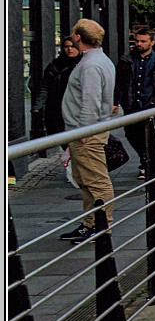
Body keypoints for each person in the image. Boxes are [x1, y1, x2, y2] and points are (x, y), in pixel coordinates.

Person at [59, 20, 118, 243]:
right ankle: (90, 224)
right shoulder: (98, 60)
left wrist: (83, 130)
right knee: (84, 180)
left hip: (86, 133)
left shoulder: (91, 65)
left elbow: (91, 101)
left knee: (96, 180)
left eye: (73, 32)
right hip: (84, 130)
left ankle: (103, 226)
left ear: (78, 37)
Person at [114, 26, 155, 180]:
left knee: (147, 134)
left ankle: (147, 165)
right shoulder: (127, 60)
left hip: (151, 103)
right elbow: (119, 82)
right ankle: (147, 161)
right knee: (131, 133)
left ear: (152, 42)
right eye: (137, 40)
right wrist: (115, 101)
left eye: (143, 41)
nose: (138, 44)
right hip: (132, 103)